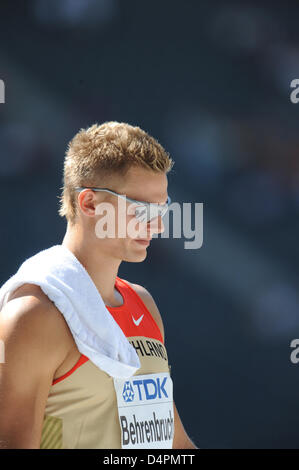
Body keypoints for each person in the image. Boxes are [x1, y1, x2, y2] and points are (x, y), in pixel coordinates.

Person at [0, 122, 197, 449]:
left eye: (162, 208)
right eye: (143, 208)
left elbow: (173, 444)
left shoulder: (142, 303)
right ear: (90, 203)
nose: (158, 223)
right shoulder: (32, 316)